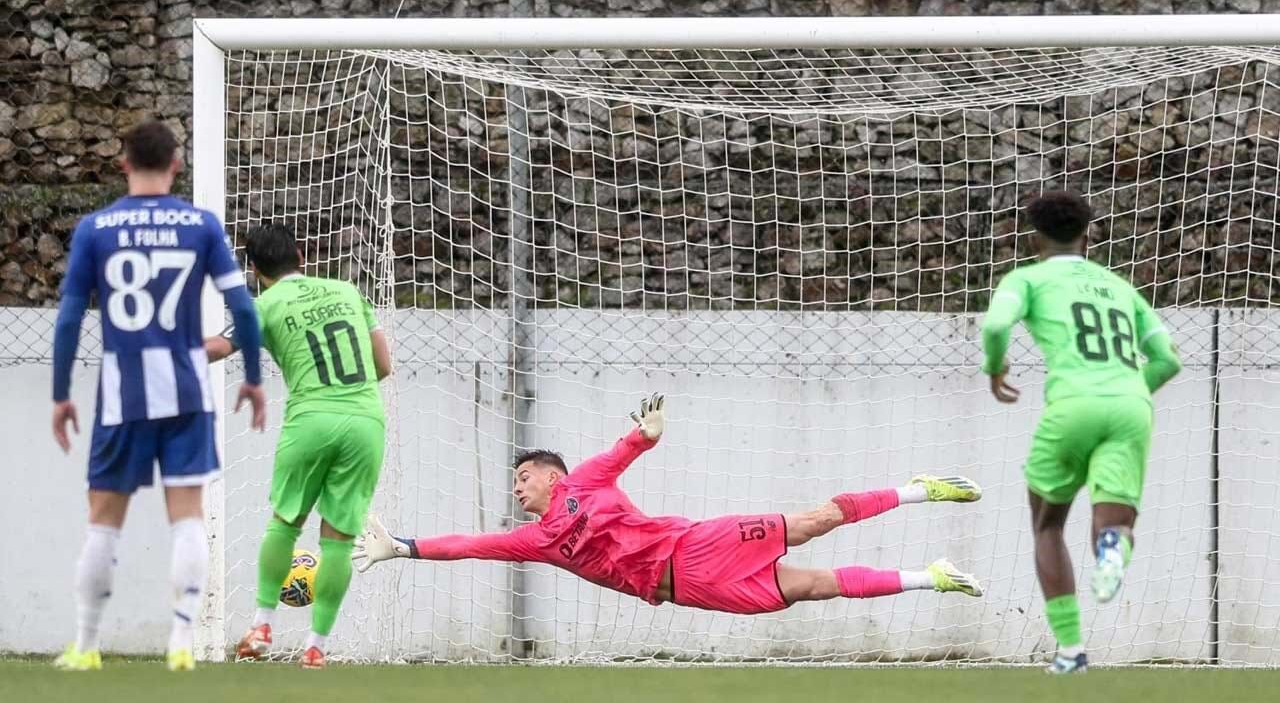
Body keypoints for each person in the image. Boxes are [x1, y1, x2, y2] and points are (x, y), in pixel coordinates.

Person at [353, 394, 983, 620]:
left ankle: (918, 488)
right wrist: (404, 547)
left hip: (699, 544)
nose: (518, 489)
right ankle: (933, 577)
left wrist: (647, 433)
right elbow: (473, 546)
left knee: (815, 521)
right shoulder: (537, 540)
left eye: (524, 477)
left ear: (553, 475)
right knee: (816, 588)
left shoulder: (589, 482)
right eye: (516, 483)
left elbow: (630, 446)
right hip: (688, 590)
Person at [50, 119, 265, 671]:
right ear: (176, 164)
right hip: (188, 386)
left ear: (123, 163)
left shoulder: (97, 228)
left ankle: (86, 644)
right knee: (188, 516)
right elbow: (242, 309)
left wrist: (60, 393)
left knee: (103, 518)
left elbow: (72, 314)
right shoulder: (199, 225)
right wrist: (254, 379)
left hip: (124, 392)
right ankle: (181, 642)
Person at [980, 190, 1183, 674]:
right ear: (1088, 234)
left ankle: (1071, 651)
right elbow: (1169, 359)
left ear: (1035, 237)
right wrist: (1131, 391)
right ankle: (1114, 548)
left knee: (1048, 525)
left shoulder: (1025, 278)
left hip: (1072, 404)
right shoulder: (1118, 286)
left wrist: (995, 368)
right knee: (1113, 521)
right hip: (1131, 406)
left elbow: (994, 326)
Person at [205, 223, 392, 669]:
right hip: (366, 419)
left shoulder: (264, 305)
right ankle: (316, 647)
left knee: (286, 521)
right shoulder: (347, 291)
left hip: (310, 419)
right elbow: (383, 364)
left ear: (254, 270)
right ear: (302, 255)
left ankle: (261, 624)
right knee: (340, 541)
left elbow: (218, 347)